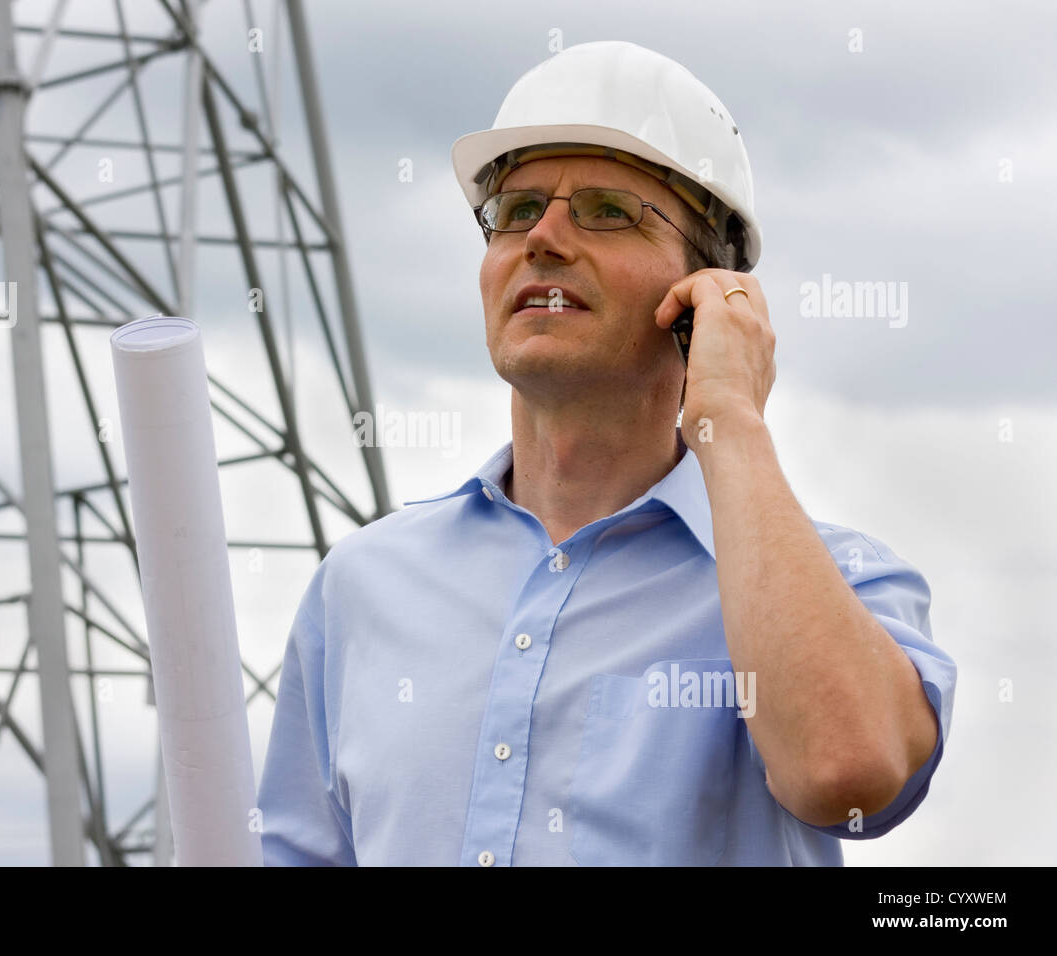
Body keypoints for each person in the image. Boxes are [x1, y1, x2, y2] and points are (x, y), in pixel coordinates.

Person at [256, 40, 955, 866]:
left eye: (605, 210)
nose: (542, 239)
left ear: (708, 293)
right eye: (514, 212)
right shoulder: (362, 587)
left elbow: (849, 777)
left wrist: (728, 418)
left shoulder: (838, 583)